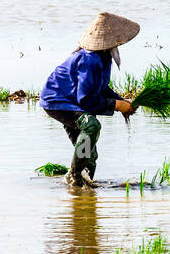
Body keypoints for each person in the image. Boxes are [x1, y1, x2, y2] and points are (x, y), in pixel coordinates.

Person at [40, 12, 139, 186]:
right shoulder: (90, 60)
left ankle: (83, 188)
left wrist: (121, 101)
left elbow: (99, 88)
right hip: (58, 100)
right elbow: (86, 100)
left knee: (89, 154)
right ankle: (74, 176)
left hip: (72, 100)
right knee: (91, 126)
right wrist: (116, 105)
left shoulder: (103, 57)